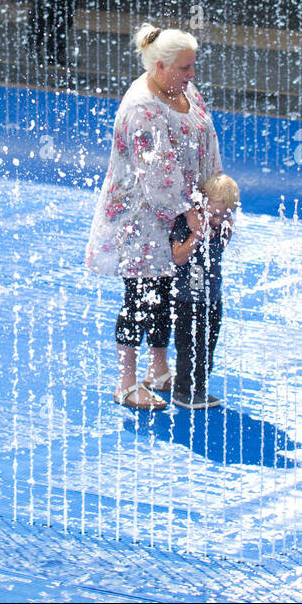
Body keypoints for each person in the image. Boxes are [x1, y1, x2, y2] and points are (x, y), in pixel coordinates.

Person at [86, 23, 223, 411]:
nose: (192, 74)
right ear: (160, 67)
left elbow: (207, 141)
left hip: (175, 213)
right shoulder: (141, 108)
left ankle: (158, 369)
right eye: (184, 67)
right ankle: (126, 384)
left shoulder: (185, 91)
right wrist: (192, 214)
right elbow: (158, 175)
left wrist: (214, 194)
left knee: (164, 295)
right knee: (139, 298)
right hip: (139, 220)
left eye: (193, 66)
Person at [169, 173, 239, 409]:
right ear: (201, 205)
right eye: (215, 214)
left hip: (211, 297)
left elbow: (221, 248)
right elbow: (178, 257)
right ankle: (182, 390)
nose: (218, 220)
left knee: (208, 344)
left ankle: (199, 388)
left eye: (225, 215)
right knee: (189, 345)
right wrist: (197, 236)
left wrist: (226, 228)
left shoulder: (221, 227)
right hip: (187, 298)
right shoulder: (187, 225)